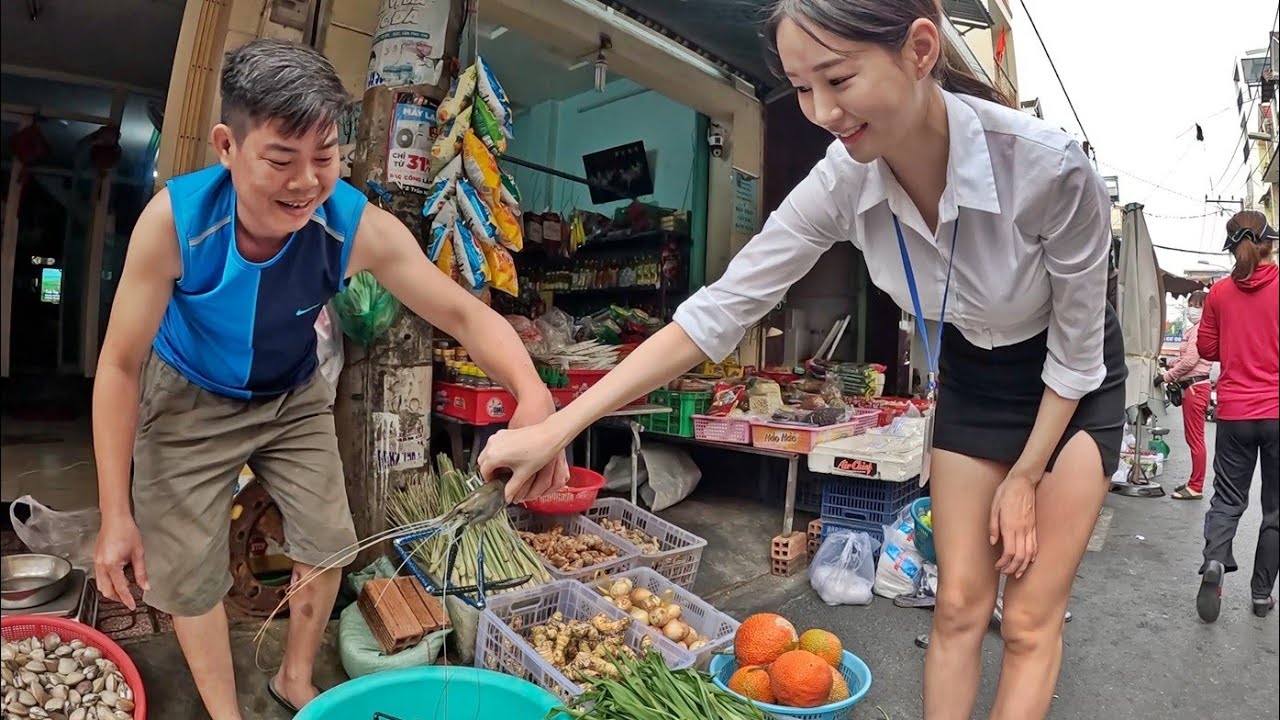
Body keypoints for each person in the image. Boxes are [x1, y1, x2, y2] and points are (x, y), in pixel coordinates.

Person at [479, 1, 1125, 718]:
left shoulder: (1048, 171)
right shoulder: (843, 179)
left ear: (919, 49)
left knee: (1030, 619)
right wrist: (559, 425)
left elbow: (1076, 355)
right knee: (958, 606)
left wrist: (1026, 476)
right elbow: (716, 313)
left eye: (838, 80)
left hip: (1069, 382)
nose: (821, 111)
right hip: (972, 373)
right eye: (801, 87)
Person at [90, 39, 565, 719]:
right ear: (227, 147)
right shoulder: (176, 223)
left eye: (324, 157)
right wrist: (114, 514)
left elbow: (460, 310)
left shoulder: (351, 225)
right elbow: (118, 366)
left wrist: (535, 394)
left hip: (292, 396)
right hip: (190, 396)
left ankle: (293, 678)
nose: (306, 183)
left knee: (328, 540)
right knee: (189, 578)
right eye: (281, 160)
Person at [1195, 210, 1279, 623]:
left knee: (1228, 499)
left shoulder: (1220, 293)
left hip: (1234, 414)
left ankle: (1214, 562)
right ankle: (1262, 596)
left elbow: (1208, 349)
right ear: (1268, 242)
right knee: (1276, 510)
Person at [1159, 290, 1213, 499]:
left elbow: (1191, 361)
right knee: (1193, 438)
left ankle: (1196, 486)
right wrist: (1169, 363)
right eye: (1191, 304)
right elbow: (1188, 358)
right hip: (1193, 387)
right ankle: (1194, 482)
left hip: (1195, 387)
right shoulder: (1196, 330)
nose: (1192, 309)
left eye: (1197, 305)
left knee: (1196, 439)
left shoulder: (1200, 330)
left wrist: (1166, 377)